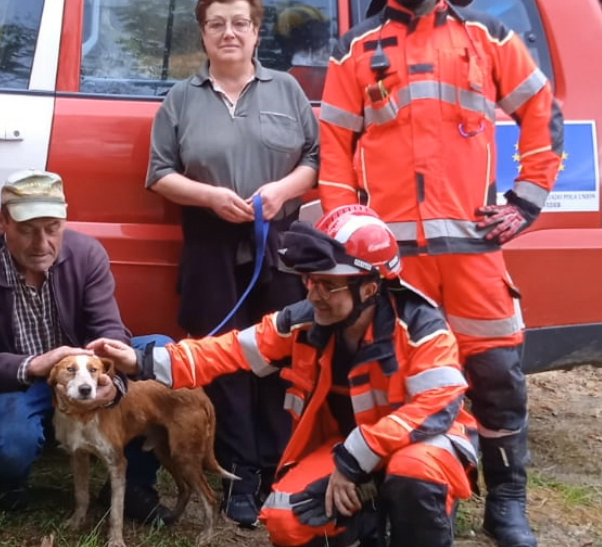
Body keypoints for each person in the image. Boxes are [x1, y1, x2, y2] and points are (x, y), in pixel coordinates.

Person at [317, 0, 564, 547]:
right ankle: (419, 497)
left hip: (474, 253)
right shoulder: (355, 53)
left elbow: (543, 113)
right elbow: (334, 152)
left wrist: (525, 201)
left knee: (497, 379)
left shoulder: (487, 39)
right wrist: (348, 232)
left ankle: (507, 504)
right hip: (394, 265)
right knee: (400, 386)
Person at [91, 205, 477, 547]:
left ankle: (407, 514)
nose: (314, 295)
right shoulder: (305, 320)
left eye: (328, 284)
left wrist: (353, 461)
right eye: (311, 281)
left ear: (370, 288)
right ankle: (370, 518)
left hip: (420, 447)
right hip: (350, 452)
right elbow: (227, 351)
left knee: (412, 474)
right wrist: (140, 361)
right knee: (285, 518)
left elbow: (433, 409)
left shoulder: (423, 328)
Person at [145, 0, 320, 526]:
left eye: (239, 23)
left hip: (280, 244)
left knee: (282, 355)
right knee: (223, 360)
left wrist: (281, 190)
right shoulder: (180, 99)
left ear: (256, 30)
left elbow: (314, 159)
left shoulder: (287, 89)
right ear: (203, 33)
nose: (228, 32)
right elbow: (159, 174)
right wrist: (209, 198)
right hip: (210, 243)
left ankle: (280, 469)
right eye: (216, 23)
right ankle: (240, 476)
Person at [0, 169, 175, 525]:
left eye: (52, 228)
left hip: (85, 372)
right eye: (27, 229)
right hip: (19, 383)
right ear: (2, 220)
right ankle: (11, 484)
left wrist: (113, 385)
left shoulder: (87, 253)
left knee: (162, 351)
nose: (42, 244)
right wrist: (32, 365)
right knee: (11, 439)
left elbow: (110, 328)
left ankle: (135, 484)